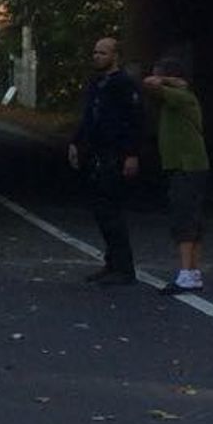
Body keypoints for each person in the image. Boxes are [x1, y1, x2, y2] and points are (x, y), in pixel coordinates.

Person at [67, 37, 141, 285]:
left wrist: (131, 154)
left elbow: (134, 121)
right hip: (95, 152)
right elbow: (88, 116)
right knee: (100, 209)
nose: (96, 56)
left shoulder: (124, 85)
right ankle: (111, 262)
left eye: (102, 52)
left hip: (116, 153)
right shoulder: (96, 83)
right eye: (95, 52)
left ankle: (124, 268)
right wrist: (76, 142)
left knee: (112, 210)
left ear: (115, 56)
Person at [142, 58, 209, 293]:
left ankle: (187, 273)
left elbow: (150, 83)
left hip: (186, 166)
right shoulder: (178, 100)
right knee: (193, 219)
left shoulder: (181, 97)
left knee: (184, 219)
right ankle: (192, 271)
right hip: (188, 165)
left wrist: (164, 79)